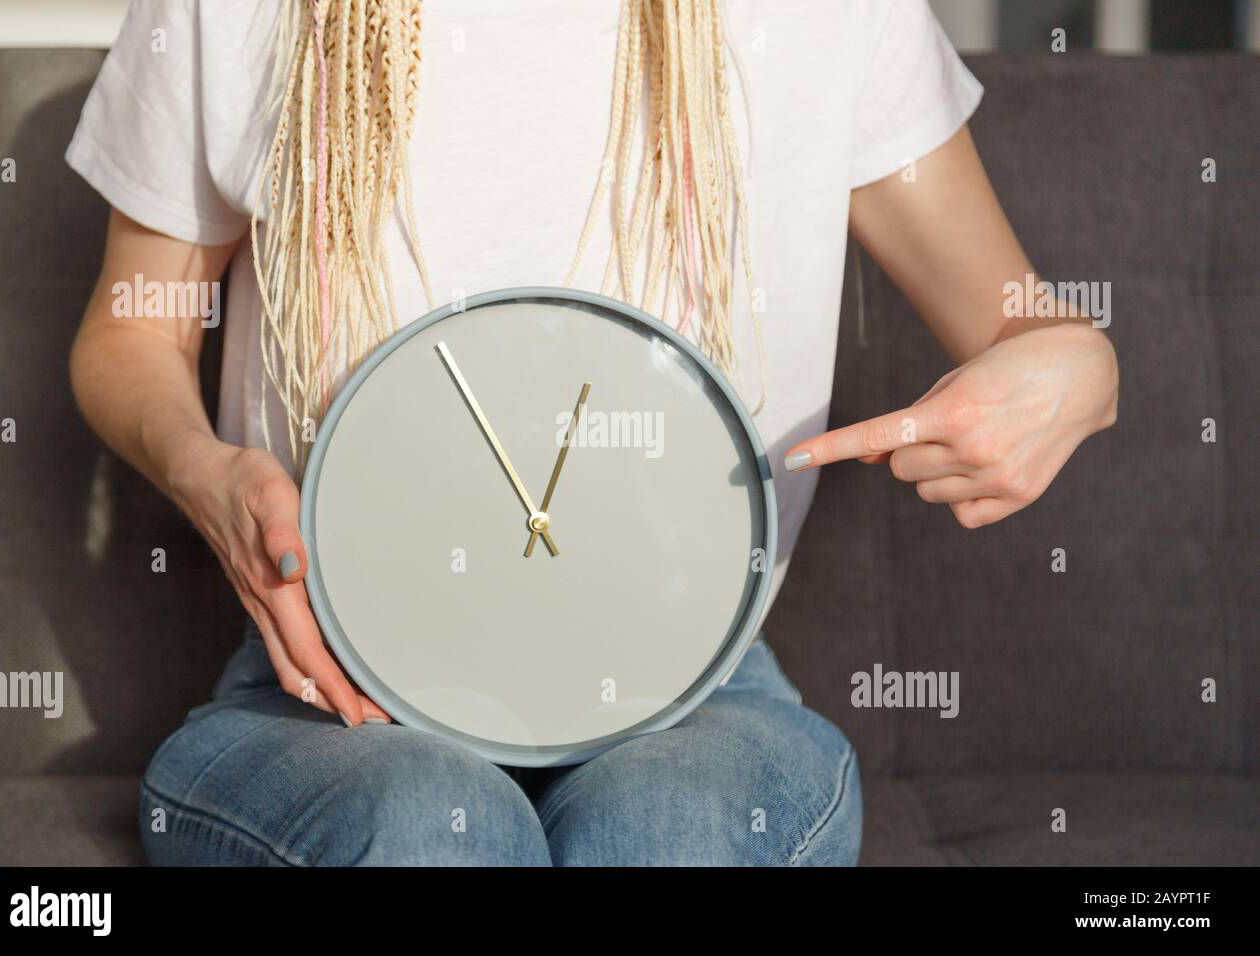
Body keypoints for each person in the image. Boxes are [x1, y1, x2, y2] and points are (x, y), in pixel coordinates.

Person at [67, 0, 1118, 866]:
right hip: (332, 688)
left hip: (695, 685)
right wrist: (207, 474)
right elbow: (131, 335)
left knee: (671, 834)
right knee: (432, 830)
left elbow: (1027, 326)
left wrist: (1076, 367)